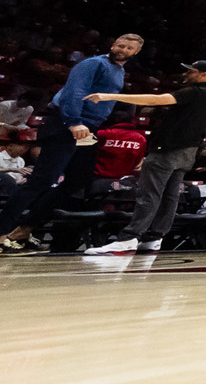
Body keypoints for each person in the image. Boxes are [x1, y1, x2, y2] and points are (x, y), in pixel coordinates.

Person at [0, 33, 142, 255]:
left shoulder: (119, 71)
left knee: (79, 180)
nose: (122, 50)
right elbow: (74, 92)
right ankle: (2, 232)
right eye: (120, 45)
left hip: (88, 127)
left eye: (128, 48)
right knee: (42, 180)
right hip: (67, 123)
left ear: (135, 52)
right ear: (113, 44)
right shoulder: (93, 63)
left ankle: (24, 229)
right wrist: (73, 121)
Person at [83, 60, 206, 255]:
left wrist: (109, 96)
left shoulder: (195, 91)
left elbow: (155, 100)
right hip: (188, 152)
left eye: (191, 71)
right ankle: (154, 238)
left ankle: (129, 238)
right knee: (170, 196)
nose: (186, 74)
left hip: (168, 150)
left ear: (204, 74)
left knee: (149, 194)